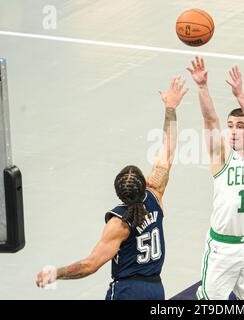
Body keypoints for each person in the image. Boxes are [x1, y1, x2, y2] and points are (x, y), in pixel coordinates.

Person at [35, 76, 188, 300]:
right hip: (155, 289)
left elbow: (89, 265)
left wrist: (56, 273)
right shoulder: (155, 192)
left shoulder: (119, 223)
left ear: (119, 195)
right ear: (144, 182)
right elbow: (169, 147)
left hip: (127, 292)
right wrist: (171, 107)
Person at [187, 57, 244, 300]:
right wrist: (202, 88)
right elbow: (210, 120)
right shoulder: (222, 158)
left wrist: (240, 95)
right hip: (223, 248)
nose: (233, 130)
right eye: (230, 126)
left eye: (240, 126)